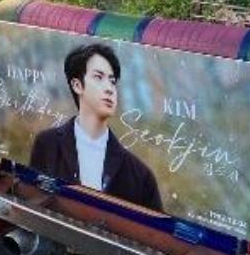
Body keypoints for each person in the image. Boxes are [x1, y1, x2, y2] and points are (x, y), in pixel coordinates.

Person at [29, 44, 163, 211]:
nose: (109, 89)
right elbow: (33, 202)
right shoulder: (47, 144)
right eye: (98, 77)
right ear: (77, 85)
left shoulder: (140, 175)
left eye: (112, 81)